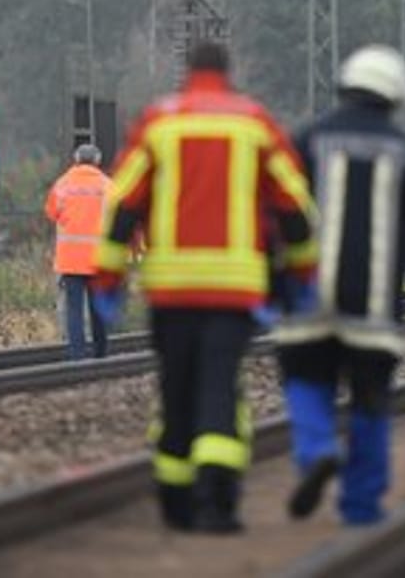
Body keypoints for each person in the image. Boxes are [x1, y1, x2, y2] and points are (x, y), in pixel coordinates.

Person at [90, 40, 315, 534]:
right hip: (234, 290)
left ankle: (174, 500)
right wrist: (302, 274)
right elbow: (295, 205)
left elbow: (123, 204)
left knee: (176, 387)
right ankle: (217, 502)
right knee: (220, 386)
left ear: (188, 72)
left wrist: (108, 279)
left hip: (171, 289)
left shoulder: (158, 122)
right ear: (228, 72)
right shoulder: (254, 123)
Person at [277, 45, 405, 526]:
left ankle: (315, 450)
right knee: (370, 404)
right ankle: (360, 506)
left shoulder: (306, 140)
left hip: (308, 301)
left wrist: (273, 286)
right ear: (395, 96)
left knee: (306, 381)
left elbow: (276, 216)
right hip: (374, 312)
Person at [45, 143, 111, 360]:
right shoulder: (108, 186)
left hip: (70, 260)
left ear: (76, 159)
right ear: (97, 161)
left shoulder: (62, 185)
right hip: (99, 260)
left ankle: (77, 356)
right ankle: (101, 353)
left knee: (74, 309)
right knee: (97, 308)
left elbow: (51, 213)